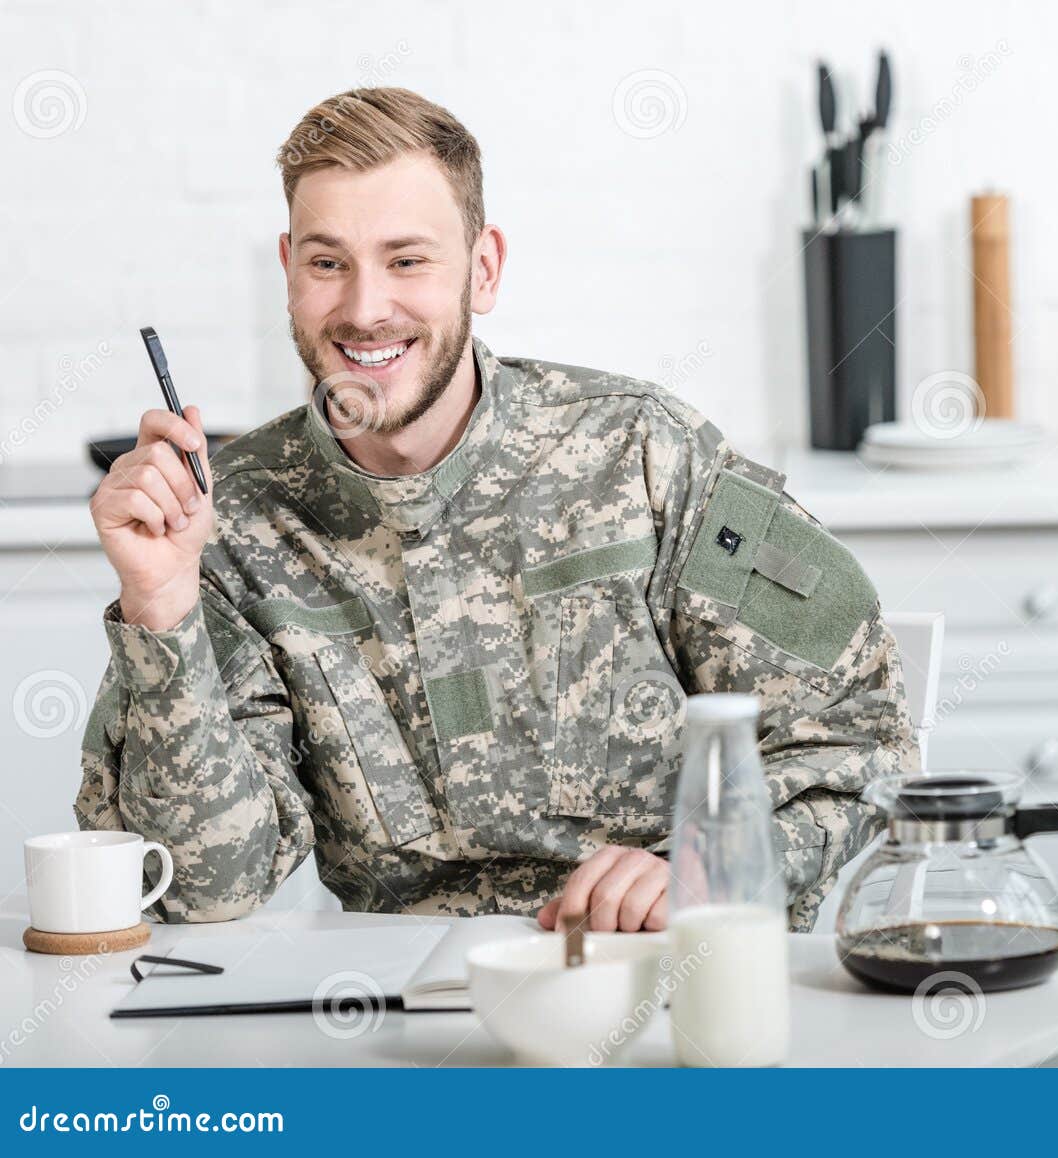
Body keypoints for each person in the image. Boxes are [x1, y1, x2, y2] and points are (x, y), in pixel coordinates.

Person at [76, 87, 917, 933]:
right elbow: (205, 888)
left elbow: (860, 750)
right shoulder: (228, 519)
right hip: (395, 1026)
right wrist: (161, 605)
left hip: (658, 987)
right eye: (329, 264)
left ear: (484, 269)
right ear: (290, 270)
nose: (365, 308)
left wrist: (710, 873)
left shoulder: (644, 453)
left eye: (408, 261)